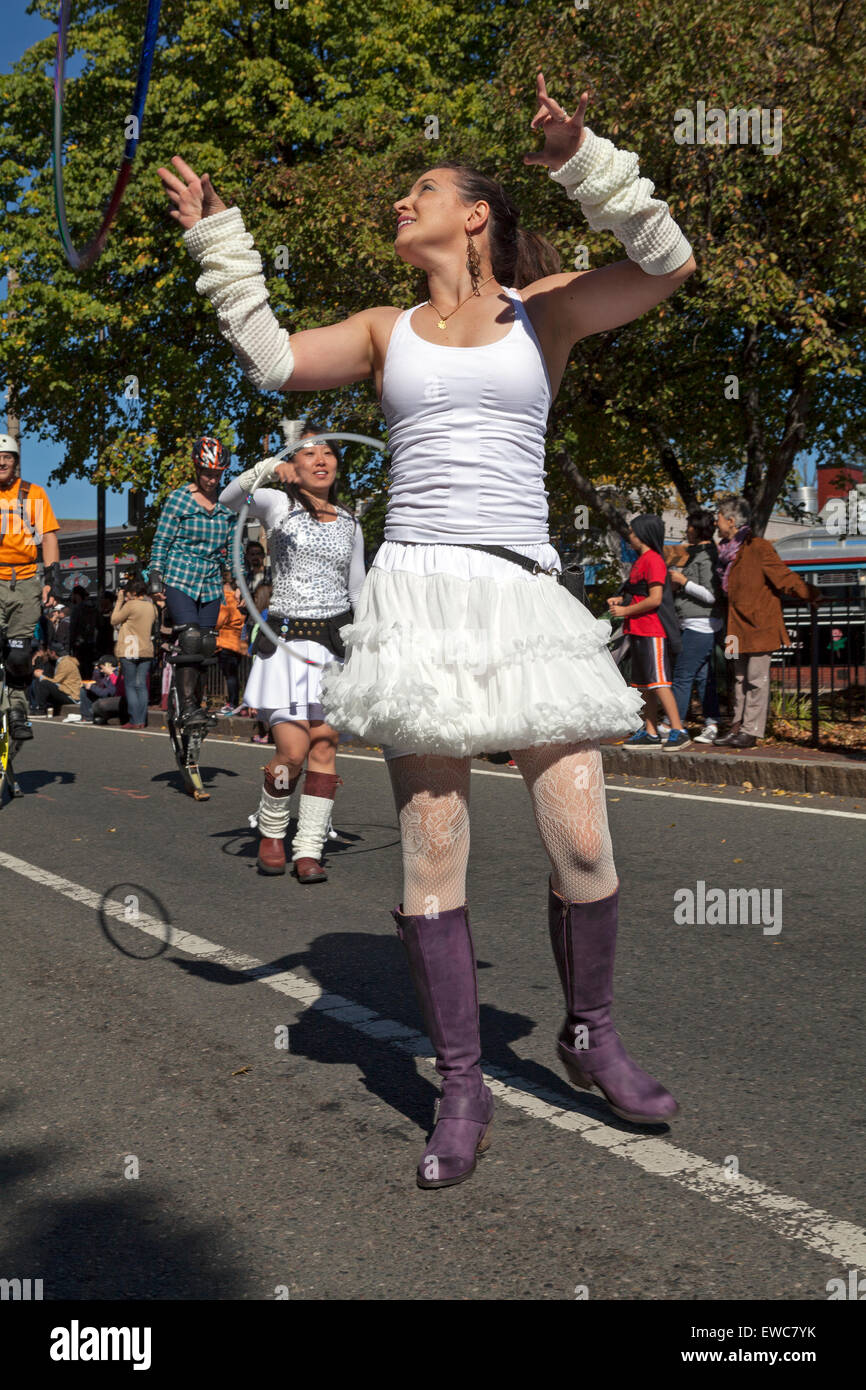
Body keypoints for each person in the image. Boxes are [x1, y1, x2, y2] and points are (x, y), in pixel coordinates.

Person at [160, 69, 696, 1187]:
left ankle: (588, 1035)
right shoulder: (380, 328)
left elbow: (665, 265)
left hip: (521, 595)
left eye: (419, 190)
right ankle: (461, 1082)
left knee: (583, 842)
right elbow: (269, 358)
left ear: (475, 214)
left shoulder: (540, 310)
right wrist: (220, 238)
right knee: (432, 845)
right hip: (415, 596)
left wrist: (582, 157)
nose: (399, 206)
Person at [219, 428, 366, 880]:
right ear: (294, 465)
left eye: (328, 453)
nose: (320, 459)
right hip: (285, 644)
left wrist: (367, 646)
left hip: (332, 646)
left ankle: (309, 848)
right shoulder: (276, 503)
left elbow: (357, 589)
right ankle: (272, 830)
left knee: (326, 745)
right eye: (308, 453)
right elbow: (228, 497)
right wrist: (268, 467)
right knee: (292, 752)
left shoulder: (351, 522)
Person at [713, 495, 822, 749]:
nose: (716, 523)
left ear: (730, 521)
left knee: (755, 678)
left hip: (758, 625)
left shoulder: (758, 547)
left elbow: (783, 577)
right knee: (738, 679)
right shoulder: (726, 553)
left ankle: (751, 730)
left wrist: (812, 594)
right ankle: (737, 727)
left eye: (718, 518)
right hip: (735, 627)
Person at [147, 437, 237, 728]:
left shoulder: (227, 506)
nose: (212, 479)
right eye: (207, 473)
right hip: (180, 577)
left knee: (208, 644)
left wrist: (238, 581)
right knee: (190, 638)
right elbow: (162, 540)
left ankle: (198, 704)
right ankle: (186, 707)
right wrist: (156, 576)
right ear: (196, 469)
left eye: (218, 474)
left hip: (210, 581)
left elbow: (233, 549)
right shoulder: (179, 499)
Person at [608, 515, 691, 750]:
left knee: (659, 682)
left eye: (633, 532)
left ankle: (678, 729)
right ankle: (651, 731)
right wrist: (620, 600)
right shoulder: (641, 561)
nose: (630, 536)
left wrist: (625, 610)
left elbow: (654, 600)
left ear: (643, 534)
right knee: (645, 684)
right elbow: (639, 591)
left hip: (652, 630)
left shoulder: (653, 560)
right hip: (638, 630)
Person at [0, 434, 61, 742]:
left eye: (7, 457)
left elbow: (48, 537)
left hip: (24, 580)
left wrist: (51, 580)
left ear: (16, 461)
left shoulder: (32, 494)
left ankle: (17, 711)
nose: (1, 462)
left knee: (20, 655)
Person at [666, 509, 724, 743]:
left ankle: (674, 726)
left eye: (689, 526)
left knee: (682, 676)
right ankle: (711, 724)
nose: (686, 530)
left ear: (698, 528)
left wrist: (684, 582)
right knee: (702, 678)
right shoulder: (697, 554)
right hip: (694, 623)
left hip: (701, 624)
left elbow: (712, 596)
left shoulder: (708, 555)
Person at [111, 579, 157, 729]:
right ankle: (141, 720)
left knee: (130, 685)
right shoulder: (152, 607)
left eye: (128, 592)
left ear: (134, 593)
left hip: (130, 648)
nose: (126, 595)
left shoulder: (130, 605)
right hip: (146, 649)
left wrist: (119, 601)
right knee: (142, 685)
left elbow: (114, 620)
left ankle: (134, 719)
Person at [215, 567, 246, 714]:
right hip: (237, 642)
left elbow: (219, 620)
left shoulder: (225, 599)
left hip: (225, 641)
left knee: (229, 675)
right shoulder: (238, 599)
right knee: (233, 674)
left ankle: (232, 703)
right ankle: (234, 701)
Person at [33, 649, 82, 717]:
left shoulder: (65, 663)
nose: (47, 654)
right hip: (66, 691)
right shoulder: (62, 661)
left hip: (71, 696)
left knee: (44, 683)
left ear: (53, 653)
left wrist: (40, 676)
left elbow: (56, 681)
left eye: (48, 652)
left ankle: (41, 710)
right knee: (41, 683)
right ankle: (43, 708)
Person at [78, 655, 120, 722]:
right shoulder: (106, 675)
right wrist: (96, 673)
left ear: (108, 665)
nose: (101, 670)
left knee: (99, 704)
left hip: (115, 700)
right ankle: (87, 717)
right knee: (84, 690)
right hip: (107, 698)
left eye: (101, 668)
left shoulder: (116, 674)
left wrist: (91, 687)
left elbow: (108, 693)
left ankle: (95, 716)